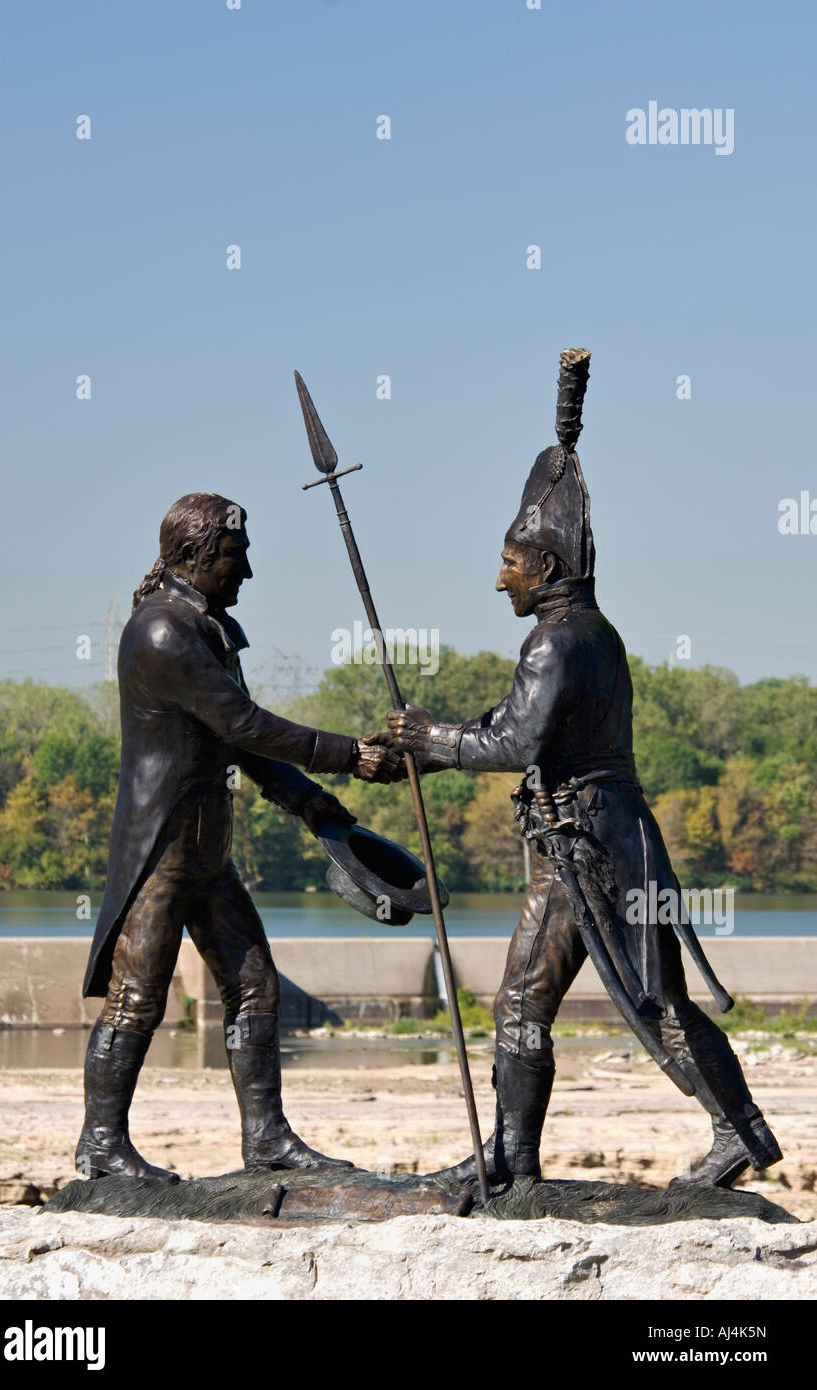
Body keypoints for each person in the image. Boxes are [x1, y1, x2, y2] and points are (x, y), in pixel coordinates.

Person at [386, 432, 782, 1190]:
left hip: (580, 851)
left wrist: (425, 736)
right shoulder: (595, 637)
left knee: (540, 999)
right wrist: (427, 743)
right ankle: (734, 1132)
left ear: (546, 567)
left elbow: (510, 740)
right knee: (641, 995)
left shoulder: (553, 642)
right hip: (610, 837)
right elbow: (514, 724)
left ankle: (513, 1157)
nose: (499, 580)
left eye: (508, 563)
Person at [78, 492, 403, 1182]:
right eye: (236, 555)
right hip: (160, 853)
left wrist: (311, 802)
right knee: (137, 999)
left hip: (206, 853)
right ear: (195, 555)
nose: (247, 571)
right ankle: (101, 1146)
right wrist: (347, 752)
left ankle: (267, 1140)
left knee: (255, 987)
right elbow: (246, 724)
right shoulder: (163, 632)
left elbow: (243, 745)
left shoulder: (208, 628)